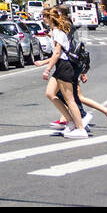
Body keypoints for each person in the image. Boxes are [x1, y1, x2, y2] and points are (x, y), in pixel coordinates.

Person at [40, 7, 88, 138]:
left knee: (70, 100)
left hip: (64, 66)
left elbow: (57, 53)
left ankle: (80, 128)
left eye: (44, 17)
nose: (43, 19)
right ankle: (70, 122)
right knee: (50, 93)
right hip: (61, 67)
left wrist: (47, 69)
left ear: (50, 18)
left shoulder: (57, 32)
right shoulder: (56, 32)